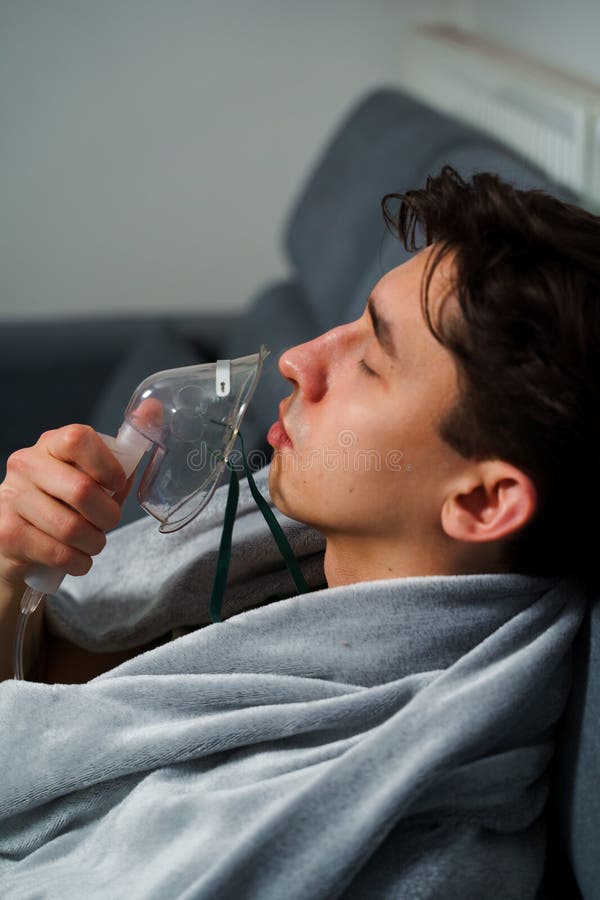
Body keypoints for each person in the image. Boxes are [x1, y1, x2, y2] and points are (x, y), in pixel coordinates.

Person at [0, 166, 597, 898]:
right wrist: (12, 563)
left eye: (371, 362)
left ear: (482, 503)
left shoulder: (409, 848)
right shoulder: (278, 563)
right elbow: (40, 690)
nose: (298, 359)